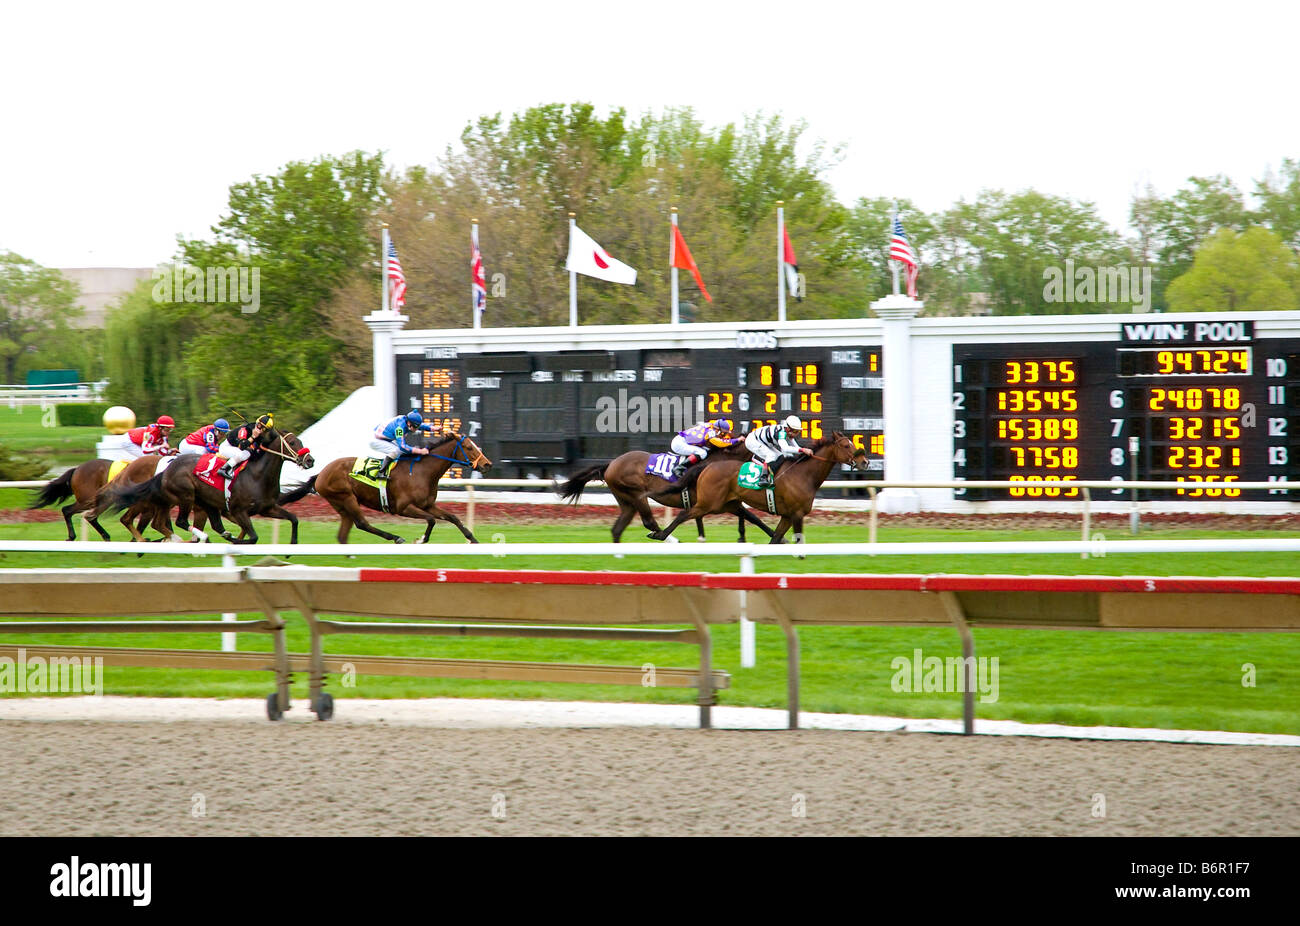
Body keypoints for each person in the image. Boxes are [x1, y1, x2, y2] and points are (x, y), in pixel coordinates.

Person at [744, 415, 812, 483]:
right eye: (795, 431)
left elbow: (797, 448)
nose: (796, 434)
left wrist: (806, 452)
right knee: (771, 455)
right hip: (752, 441)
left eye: (797, 431)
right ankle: (763, 478)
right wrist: (803, 450)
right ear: (787, 428)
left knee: (780, 456)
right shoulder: (781, 432)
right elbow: (785, 448)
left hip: (764, 443)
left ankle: (771, 473)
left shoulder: (787, 432)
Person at [369, 409, 433, 478]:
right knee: (398, 450)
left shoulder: (407, 421)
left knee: (400, 451)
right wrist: (420, 451)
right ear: (409, 423)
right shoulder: (399, 428)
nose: (416, 429)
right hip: (375, 440)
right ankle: (381, 473)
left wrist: (433, 428)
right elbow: (402, 446)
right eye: (415, 427)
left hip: (383, 438)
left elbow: (420, 425)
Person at [207, 414, 272, 480]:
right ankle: (224, 469)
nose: (260, 430)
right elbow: (241, 446)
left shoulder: (260, 437)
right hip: (226, 448)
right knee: (246, 453)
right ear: (257, 423)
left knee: (251, 453)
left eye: (264, 429)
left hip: (236, 450)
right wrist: (253, 436)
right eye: (260, 426)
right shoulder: (245, 429)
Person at [669, 418, 739, 478]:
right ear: (718, 430)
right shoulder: (711, 433)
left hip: (682, 440)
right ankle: (679, 468)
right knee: (702, 453)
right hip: (679, 444)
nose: (724, 436)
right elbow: (720, 443)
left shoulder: (711, 426)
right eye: (723, 433)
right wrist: (736, 440)